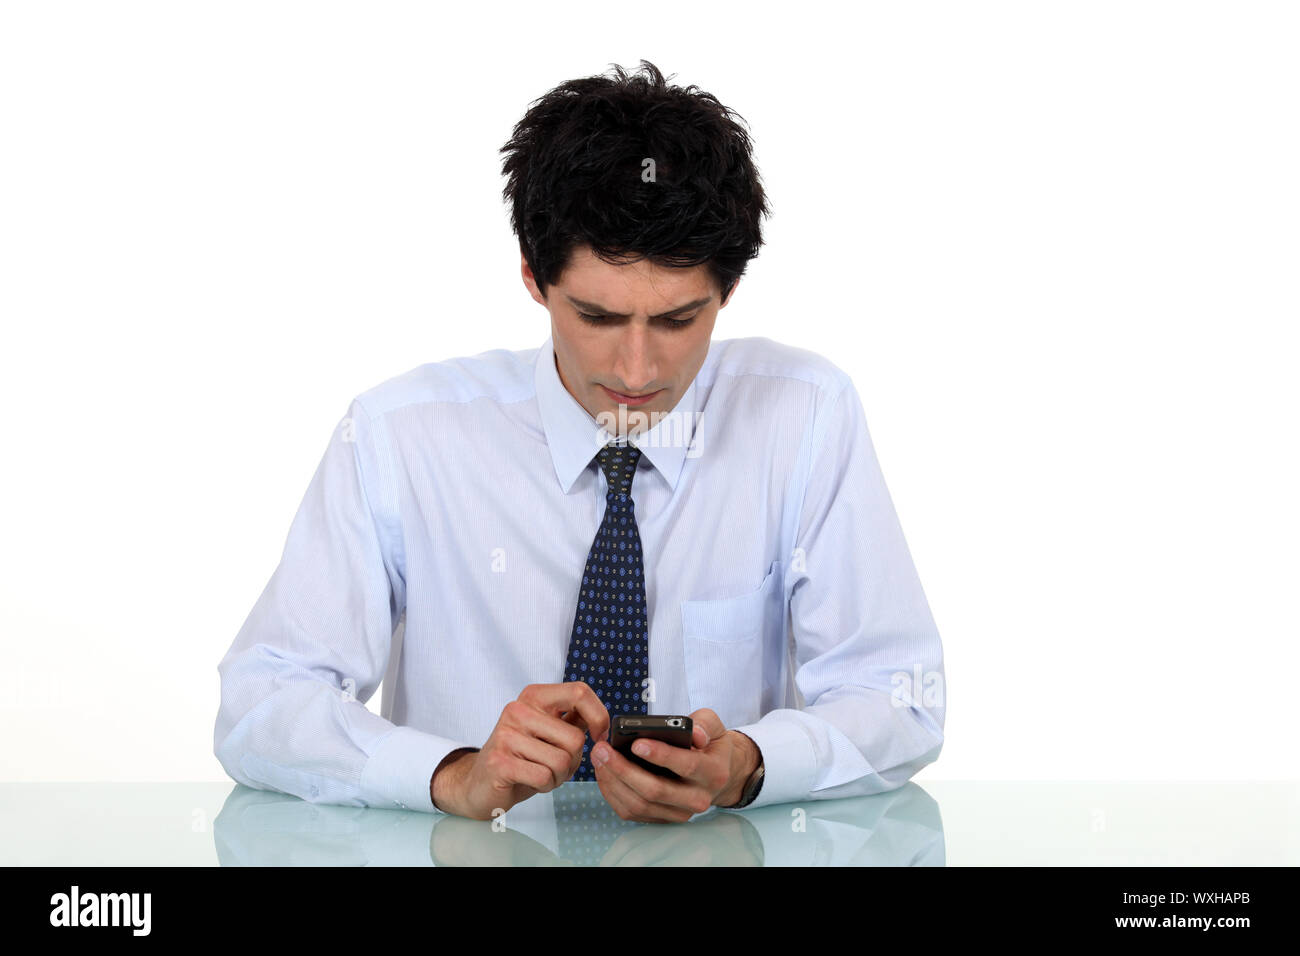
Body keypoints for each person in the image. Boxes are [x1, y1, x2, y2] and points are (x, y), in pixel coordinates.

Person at [214, 60, 945, 823]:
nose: (637, 370)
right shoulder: (401, 437)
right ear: (534, 278)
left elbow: (901, 695)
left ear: (728, 291)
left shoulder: (804, 418)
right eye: (597, 319)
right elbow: (261, 701)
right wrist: (451, 773)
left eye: (676, 320)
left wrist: (748, 766)